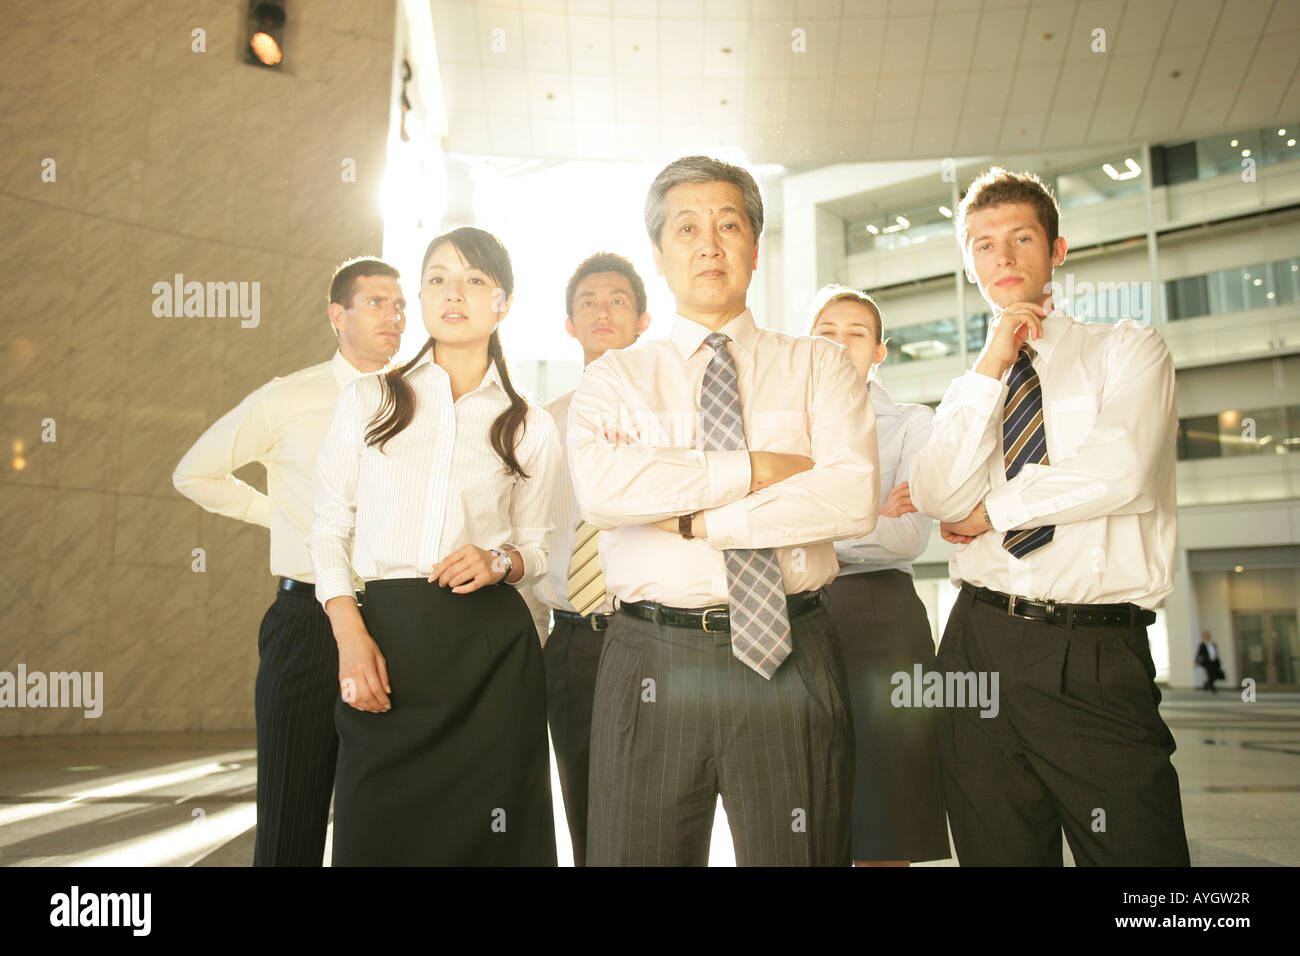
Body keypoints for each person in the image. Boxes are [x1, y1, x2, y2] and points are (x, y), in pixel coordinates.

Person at [569, 155, 880, 866]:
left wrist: (699, 520)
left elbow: (852, 495)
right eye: (687, 228)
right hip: (651, 655)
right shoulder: (616, 377)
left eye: (727, 224)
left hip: (791, 657)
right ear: (659, 254)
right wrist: (757, 470)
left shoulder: (818, 365)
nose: (708, 244)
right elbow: (606, 492)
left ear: (755, 248)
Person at [909, 167, 1189, 866]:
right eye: (982, 245)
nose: (1001, 259)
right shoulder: (969, 387)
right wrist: (990, 363)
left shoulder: (1127, 350)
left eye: (1020, 238)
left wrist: (993, 511)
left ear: (1056, 251)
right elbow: (939, 498)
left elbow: (1118, 470)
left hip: (1093, 653)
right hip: (977, 642)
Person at [308, 226, 562, 866]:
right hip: (384, 641)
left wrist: (500, 561)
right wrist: (349, 633)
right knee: (374, 837)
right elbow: (329, 526)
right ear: (420, 298)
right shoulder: (368, 398)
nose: (455, 293)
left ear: (502, 302)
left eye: (475, 280)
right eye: (438, 279)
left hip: (491, 655)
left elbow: (537, 547)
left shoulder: (528, 421)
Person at [172, 257, 405, 866]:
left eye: (400, 304)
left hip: (401, 621)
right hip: (307, 623)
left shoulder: (419, 400)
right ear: (338, 316)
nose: (395, 315)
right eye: (377, 302)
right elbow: (194, 472)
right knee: (291, 816)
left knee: (389, 815)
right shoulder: (286, 399)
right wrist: (280, 516)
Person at [809, 285, 950, 866]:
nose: (840, 345)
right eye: (826, 332)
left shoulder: (914, 423)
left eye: (856, 334)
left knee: (887, 796)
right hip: (798, 608)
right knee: (803, 785)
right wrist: (869, 512)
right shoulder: (776, 423)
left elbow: (909, 534)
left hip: (882, 615)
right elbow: (758, 528)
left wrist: (815, 528)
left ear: (880, 351)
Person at [519, 252, 650, 866]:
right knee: (586, 804)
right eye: (588, 302)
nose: (603, 311)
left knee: (661, 805)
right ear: (569, 323)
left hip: (658, 633)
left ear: (643, 319)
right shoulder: (541, 427)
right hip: (572, 642)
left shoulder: (677, 413)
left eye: (618, 300)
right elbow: (528, 536)